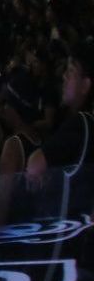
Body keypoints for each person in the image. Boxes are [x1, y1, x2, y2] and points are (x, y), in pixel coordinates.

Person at [26, 47, 92, 221]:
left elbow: (35, 165)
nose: (64, 77)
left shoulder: (80, 124)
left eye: (71, 72)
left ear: (85, 85)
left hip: (67, 233)